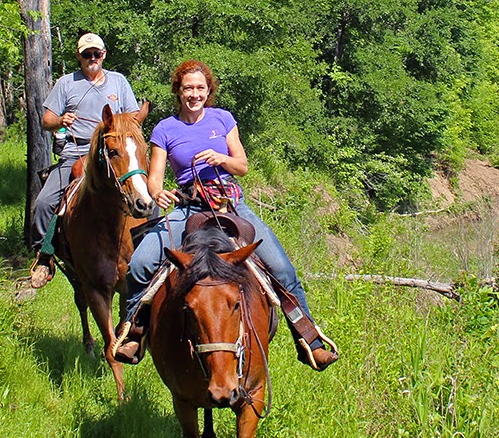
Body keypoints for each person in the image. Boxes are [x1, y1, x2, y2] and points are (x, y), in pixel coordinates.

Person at [114, 60, 337, 371]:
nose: (194, 94)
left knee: (283, 269)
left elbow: (242, 166)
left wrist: (221, 158)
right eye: (188, 88)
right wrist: (157, 192)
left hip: (229, 205)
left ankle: (309, 341)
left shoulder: (223, 119)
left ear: (209, 91)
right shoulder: (165, 128)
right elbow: (155, 176)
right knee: (139, 264)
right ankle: (133, 333)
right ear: (178, 91)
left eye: (200, 88)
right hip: (189, 207)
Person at [29, 33, 140, 288]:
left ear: (104, 54)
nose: (92, 58)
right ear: (79, 56)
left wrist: (123, 126)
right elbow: (47, 120)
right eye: (86, 54)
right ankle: (44, 255)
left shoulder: (118, 82)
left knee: (147, 197)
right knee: (45, 203)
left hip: (114, 155)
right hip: (76, 152)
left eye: (96, 54)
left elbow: (133, 116)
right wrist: (61, 121)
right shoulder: (66, 83)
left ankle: (148, 248)